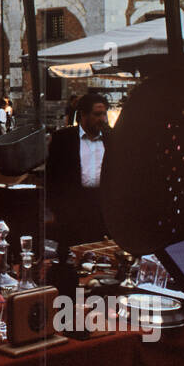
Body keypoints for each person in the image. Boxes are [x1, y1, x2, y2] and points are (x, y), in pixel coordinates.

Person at [46, 89, 110, 252]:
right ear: (83, 115)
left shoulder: (111, 139)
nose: (102, 119)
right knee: (71, 255)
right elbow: (52, 177)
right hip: (73, 208)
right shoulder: (63, 139)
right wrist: (56, 210)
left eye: (104, 114)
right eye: (97, 114)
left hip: (103, 208)